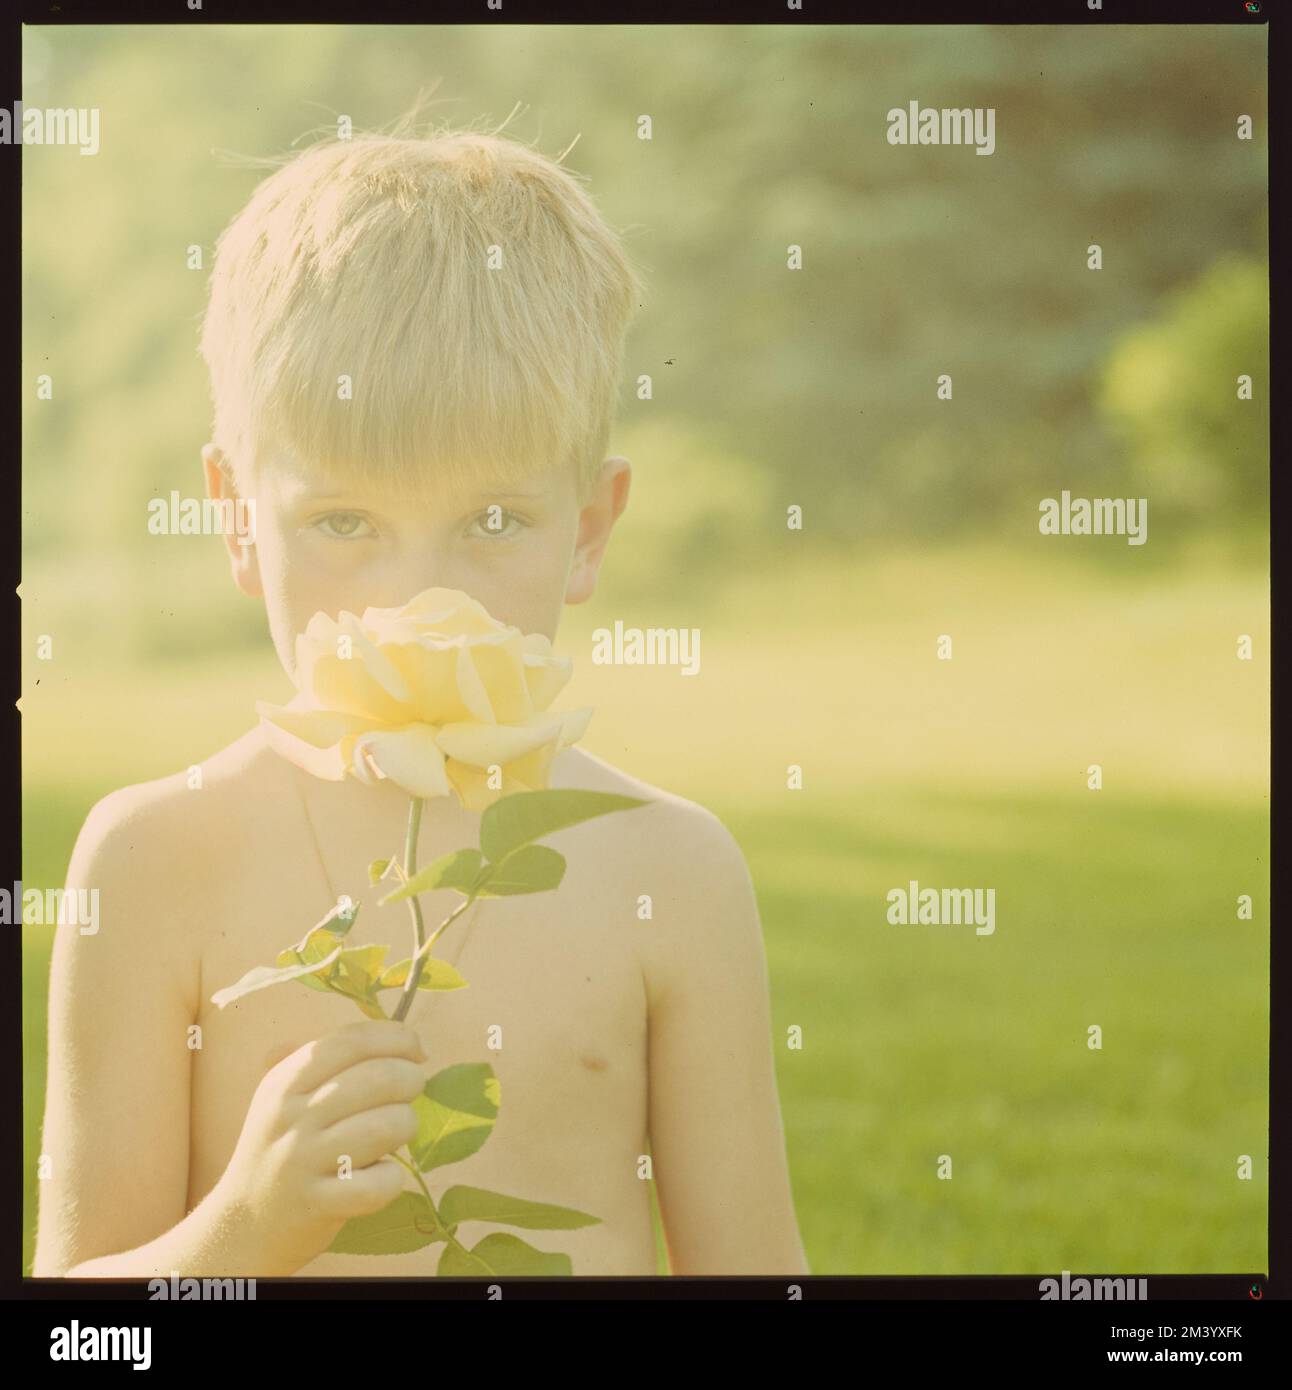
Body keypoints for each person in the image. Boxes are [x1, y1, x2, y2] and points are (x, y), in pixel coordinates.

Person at [33, 116, 808, 1278]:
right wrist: (241, 1229)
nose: (417, 596)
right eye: (343, 522)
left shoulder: (672, 870)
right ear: (237, 517)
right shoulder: (152, 859)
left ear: (589, 530)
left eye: (493, 521)